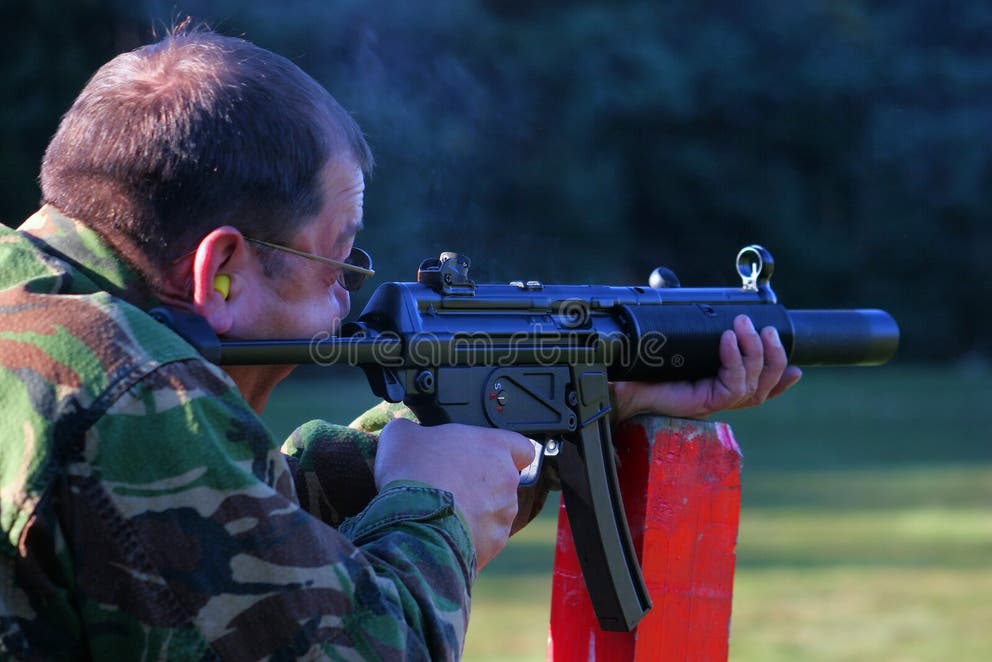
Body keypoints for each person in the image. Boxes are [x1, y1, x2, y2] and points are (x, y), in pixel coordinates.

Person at [0, 27, 800, 660]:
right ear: (224, 271)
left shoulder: (45, 327)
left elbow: (198, 542)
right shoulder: (124, 390)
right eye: (337, 257)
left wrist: (556, 404)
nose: (350, 288)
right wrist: (435, 507)